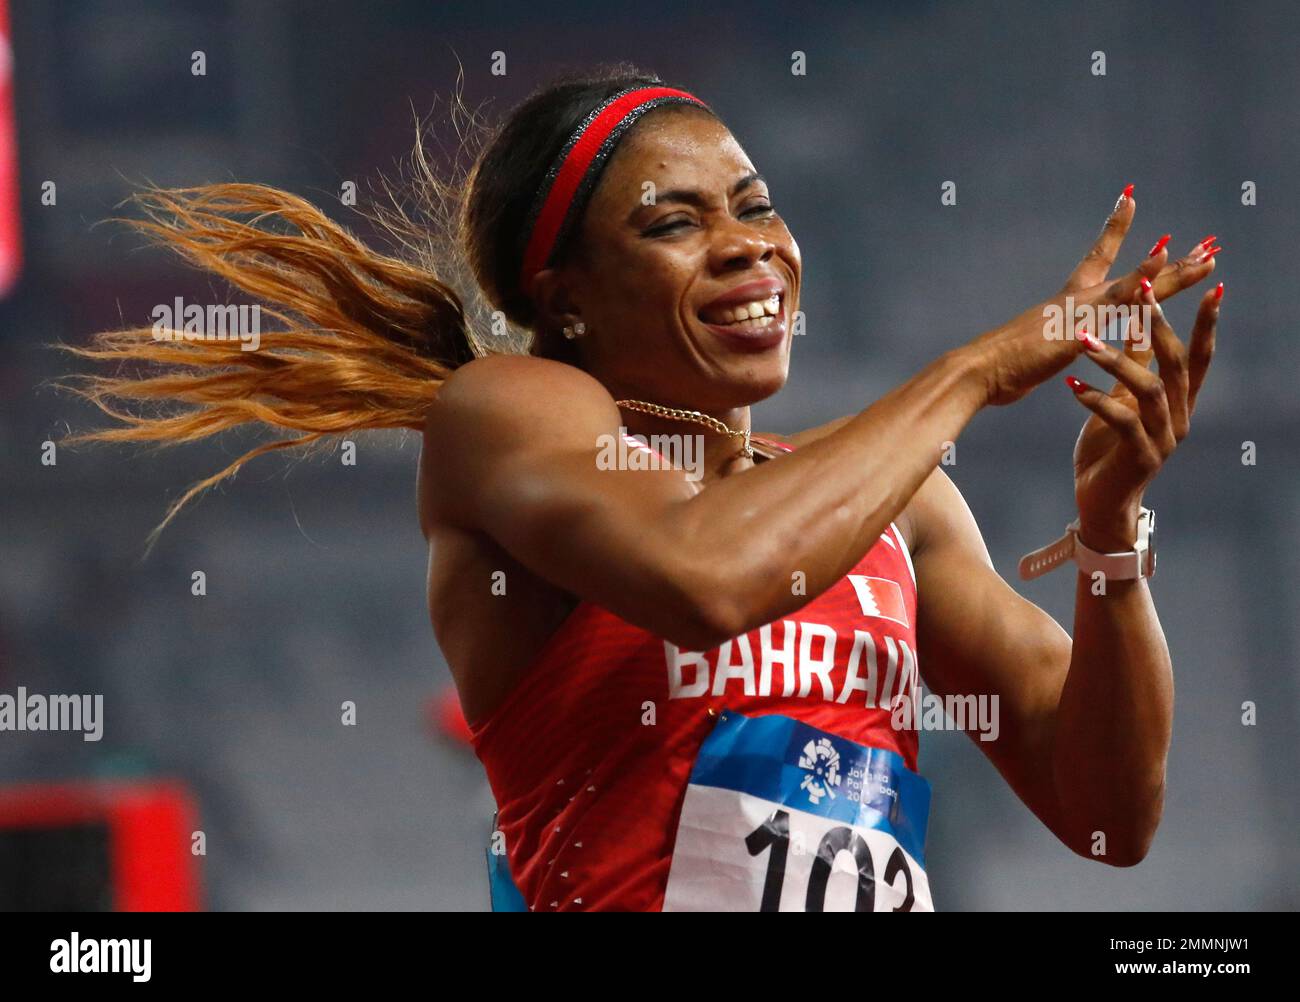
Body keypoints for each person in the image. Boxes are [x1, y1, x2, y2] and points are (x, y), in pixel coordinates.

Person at [63, 65, 1222, 911]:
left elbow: (1108, 816)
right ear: (562, 294)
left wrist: (1110, 534)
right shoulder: (500, 414)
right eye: (674, 222)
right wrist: (971, 372)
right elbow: (705, 577)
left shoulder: (899, 509)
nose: (747, 244)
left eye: (756, 203)